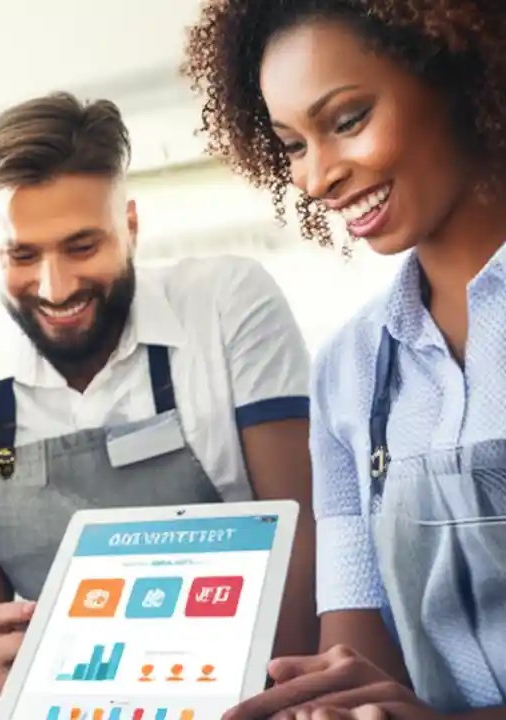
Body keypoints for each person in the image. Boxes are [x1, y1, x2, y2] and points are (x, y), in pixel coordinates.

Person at [0, 93, 321, 704]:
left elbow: (303, 538)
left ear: (129, 225)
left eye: (82, 247)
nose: (54, 288)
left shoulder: (227, 303)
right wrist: (7, 678)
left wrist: (264, 703)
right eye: (23, 255)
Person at [181, 1, 506, 717]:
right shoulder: (348, 374)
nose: (316, 177)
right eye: (293, 144)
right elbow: (355, 665)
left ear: (461, 74)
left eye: (347, 120)